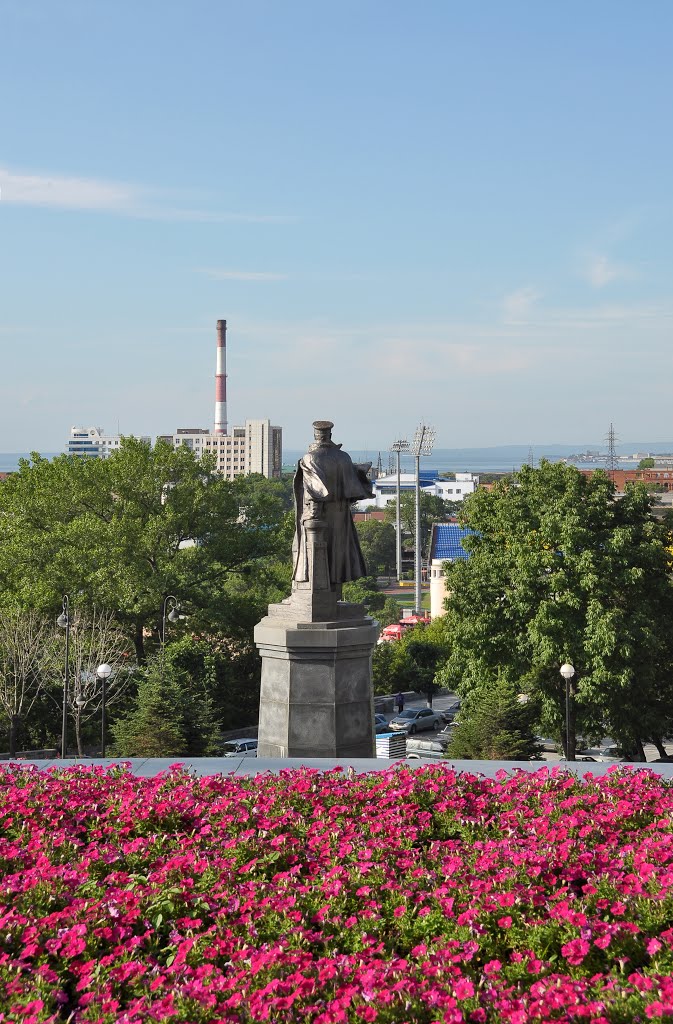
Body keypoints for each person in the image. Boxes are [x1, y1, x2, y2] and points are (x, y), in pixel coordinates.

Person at [292, 420, 374, 586]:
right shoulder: (343, 457)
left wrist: (312, 515)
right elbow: (353, 489)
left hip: (318, 515)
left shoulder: (310, 458)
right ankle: (333, 589)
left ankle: (314, 590)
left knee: (312, 554)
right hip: (340, 514)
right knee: (336, 554)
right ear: (329, 435)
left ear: (316, 436)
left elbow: (313, 490)